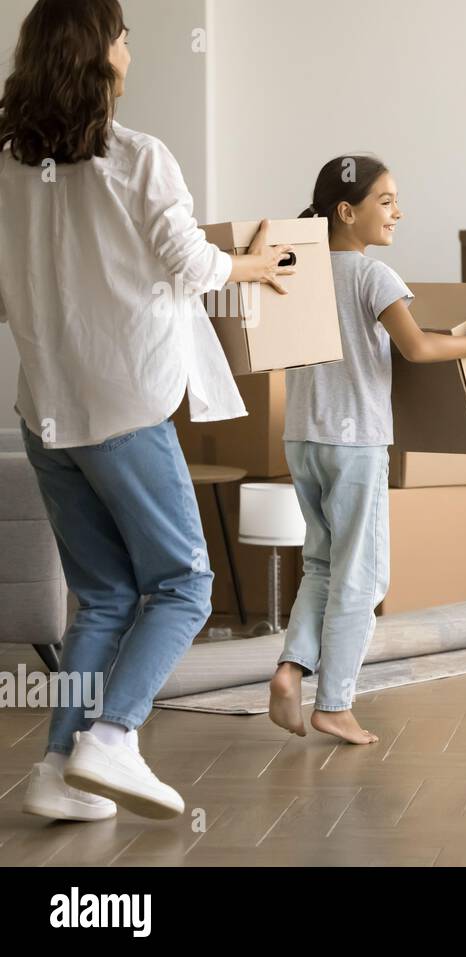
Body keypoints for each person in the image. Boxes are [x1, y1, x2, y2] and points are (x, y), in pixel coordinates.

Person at [0, 0, 294, 820]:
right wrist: (255, 263)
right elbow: (192, 263)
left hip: (47, 410)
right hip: (125, 407)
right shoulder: (138, 157)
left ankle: (57, 769)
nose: (132, 46)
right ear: (100, 52)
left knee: (100, 597)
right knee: (185, 584)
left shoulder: (7, 163)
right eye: (124, 34)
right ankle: (113, 735)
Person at [268, 155, 466, 744]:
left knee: (322, 565)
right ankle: (335, 703)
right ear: (348, 212)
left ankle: (290, 670)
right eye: (387, 201)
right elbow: (417, 348)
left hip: (302, 437)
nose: (399, 212)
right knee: (363, 579)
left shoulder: (301, 271)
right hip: (355, 445)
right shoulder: (373, 276)